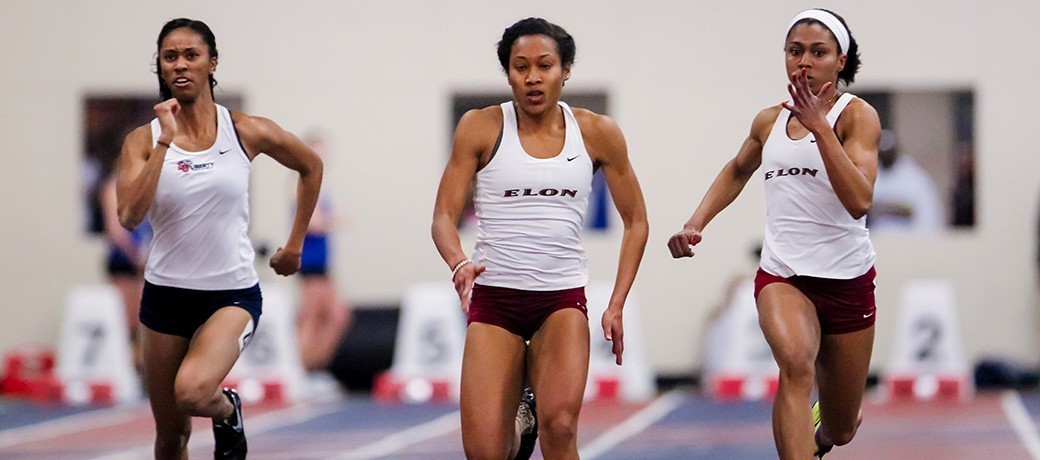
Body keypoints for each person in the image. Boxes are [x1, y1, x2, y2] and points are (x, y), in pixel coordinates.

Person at [667, 9, 879, 459]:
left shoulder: (856, 117)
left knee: (842, 426)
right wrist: (695, 223)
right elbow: (738, 169)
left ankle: (822, 434)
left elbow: (859, 200)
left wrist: (821, 128)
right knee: (796, 367)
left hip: (847, 280)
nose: (804, 62)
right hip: (784, 275)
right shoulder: (769, 121)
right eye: (794, 51)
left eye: (817, 53)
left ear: (840, 61)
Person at [432, 17, 648, 460]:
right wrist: (458, 263)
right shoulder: (480, 126)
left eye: (545, 65)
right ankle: (519, 425)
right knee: (485, 453)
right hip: (495, 302)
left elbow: (637, 221)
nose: (532, 77)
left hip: (560, 300)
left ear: (565, 70)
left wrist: (617, 302)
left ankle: (537, 418)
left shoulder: (596, 132)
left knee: (562, 426)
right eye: (520, 66)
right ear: (507, 72)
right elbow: (442, 217)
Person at [115, 18, 322, 460]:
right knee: (171, 437)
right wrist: (166, 145)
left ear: (212, 63)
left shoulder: (245, 130)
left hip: (228, 294)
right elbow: (130, 216)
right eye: (170, 57)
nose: (181, 65)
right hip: (165, 296)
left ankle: (227, 409)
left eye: (191, 55)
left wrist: (296, 242)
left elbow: (310, 167)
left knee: (192, 392)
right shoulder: (142, 141)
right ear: (160, 67)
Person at [295, 131, 351, 373]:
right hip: (309, 261)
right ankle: (301, 371)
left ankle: (315, 368)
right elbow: (313, 223)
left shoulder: (318, 182)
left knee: (337, 316)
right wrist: (336, 220)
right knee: (312, 317)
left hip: (321, 261)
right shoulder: (302, 181)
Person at [99, 175, 151, 370]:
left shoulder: (146, 185)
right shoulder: (113, 188)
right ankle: (126, 367)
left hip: (143, 259)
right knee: (128, 321)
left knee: (143, 321)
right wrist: (135, 256)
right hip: (124, 260)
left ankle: (138, 365)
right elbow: (116, 230)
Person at [867, 129, 943, 232]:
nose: (885, 156)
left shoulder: (915, 179)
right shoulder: (870, 177)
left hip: (909, 241)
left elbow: (926, 215)